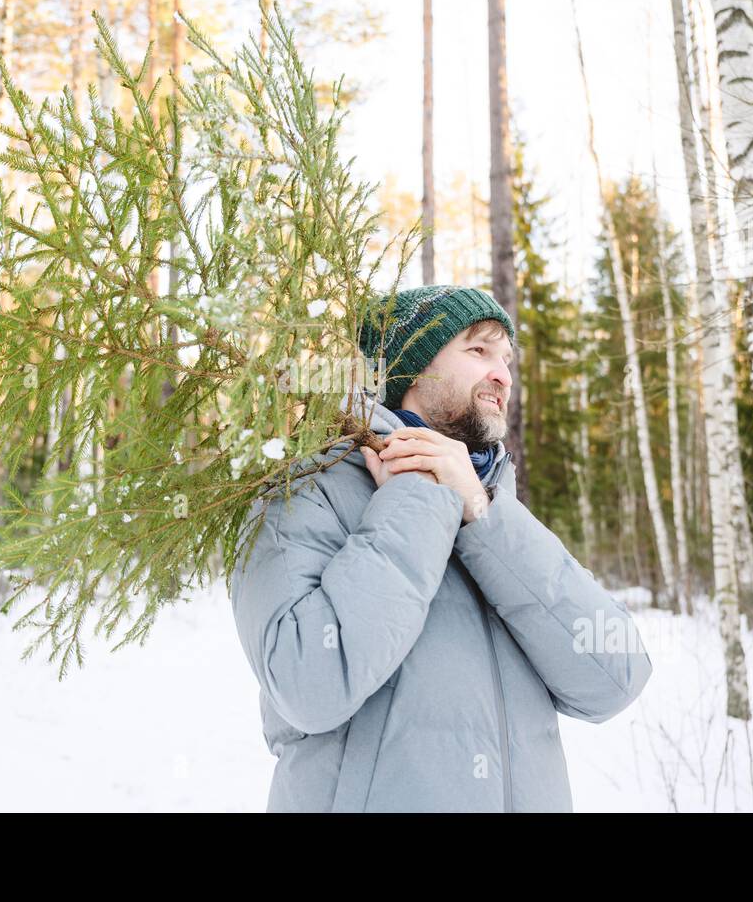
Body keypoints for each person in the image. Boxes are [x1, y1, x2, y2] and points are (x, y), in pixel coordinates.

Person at [229, 284, 653, 811]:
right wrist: (416, 497)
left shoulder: (493, 509)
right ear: (410, 368)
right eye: (478, 350)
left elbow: (615, 677)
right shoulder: (304, 490)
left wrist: (479, 512)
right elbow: (309, 685)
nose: (502, 373)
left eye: (506, 358)